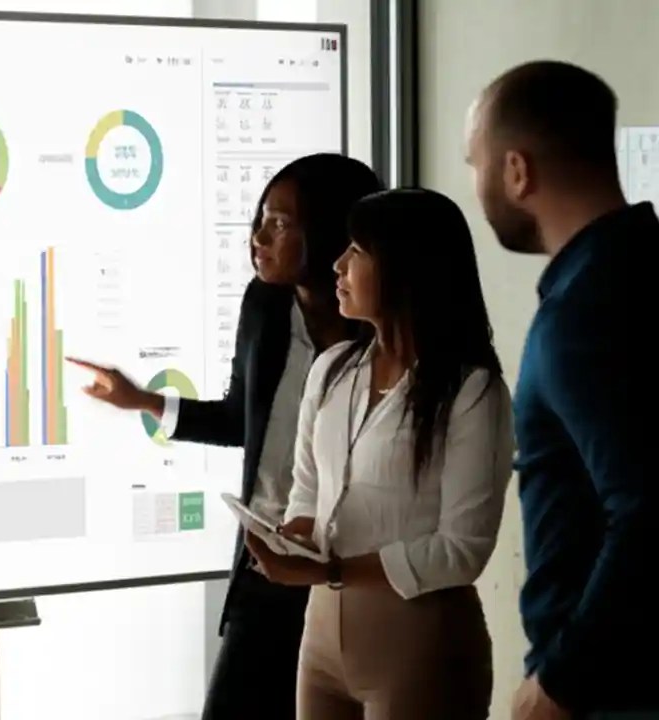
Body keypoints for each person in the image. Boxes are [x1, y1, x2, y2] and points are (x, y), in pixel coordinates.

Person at [69, 153, 382, 719]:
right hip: (266, 565)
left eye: (282, 224)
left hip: (349, 580)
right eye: (261, 219)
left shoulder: (385, 335)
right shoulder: (264, 305)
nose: (259, 237)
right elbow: (245, 418)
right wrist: (141, 401)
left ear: (334, 231)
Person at [246, 188, 513, 719]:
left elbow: (463, 550)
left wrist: (333, 570)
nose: (338, 265)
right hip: (321, 641)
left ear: (407, 268)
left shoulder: (471, 392)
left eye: (357, 251)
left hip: (421, 645)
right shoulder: (332, 369)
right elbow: (308, 491)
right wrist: (294, 536)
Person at [467, 60, 659, 720]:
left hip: (611, 688)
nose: (477, 186)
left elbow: (647, 505)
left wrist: (561, 680)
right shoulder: (636, 269)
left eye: (477, 165)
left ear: (518, 172)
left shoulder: (585, 311)